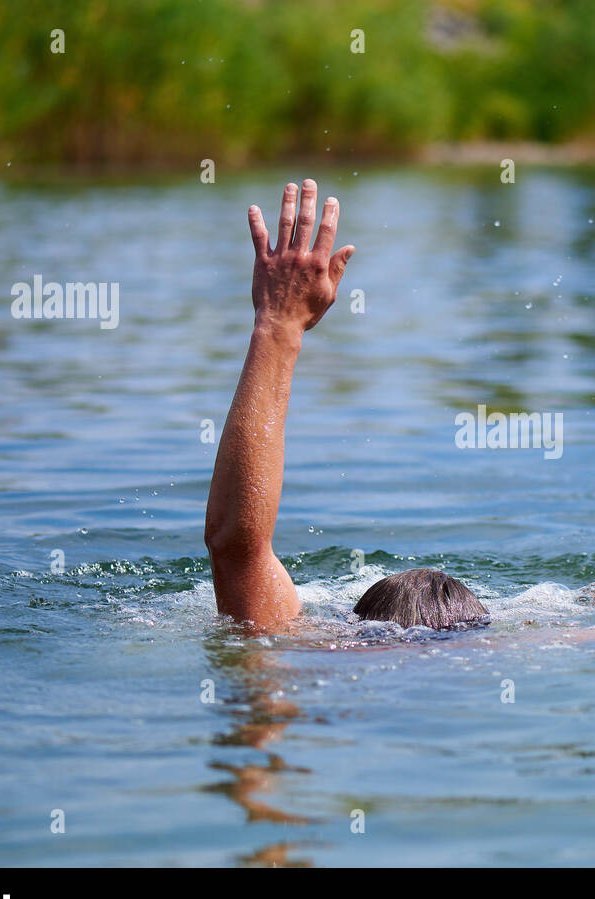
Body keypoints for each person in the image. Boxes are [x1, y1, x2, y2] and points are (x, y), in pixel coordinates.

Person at [204, 180, 487, 633]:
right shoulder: (515, 649)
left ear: (353, 628)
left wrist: (279, 323)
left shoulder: (320, 659)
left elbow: (235, 544)